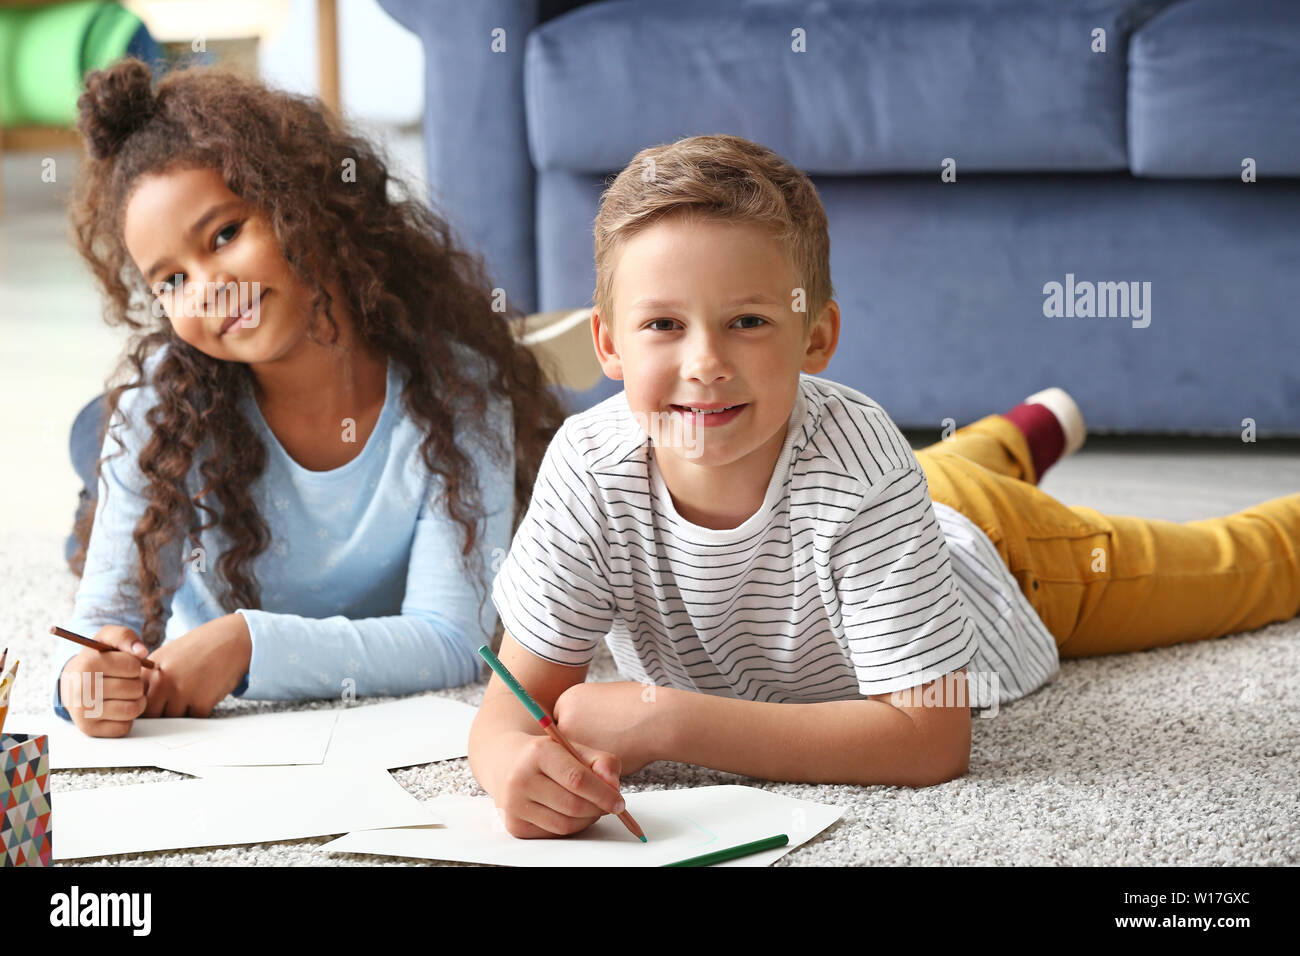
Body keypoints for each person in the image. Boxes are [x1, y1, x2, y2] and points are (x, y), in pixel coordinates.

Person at [467, 133, 1300, 839]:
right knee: (934, 472)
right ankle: (1019, 432)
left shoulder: (861, 461)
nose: (705, 364)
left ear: (816, 335)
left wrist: (665, 719)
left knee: (1243, 566)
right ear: (608, 345)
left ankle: (1014, 449)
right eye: (663, 325)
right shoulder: (588, 462)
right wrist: (508, 762)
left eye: (748, 321)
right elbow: (513, 701)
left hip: (1014, 563)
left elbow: (929, 742)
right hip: (893, 510)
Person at [55, 57, 566, 737]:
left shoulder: (462, 393)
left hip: (242, 621)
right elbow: (95, 632)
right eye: (171, 281)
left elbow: (453, 642)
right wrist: (87, 680)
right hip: (167, 424)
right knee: (110, 436)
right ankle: (94, 471)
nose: (207, 288)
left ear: (305, 203)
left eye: (226, 235)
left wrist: (245, 644)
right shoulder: (164, 410)